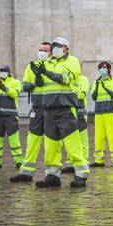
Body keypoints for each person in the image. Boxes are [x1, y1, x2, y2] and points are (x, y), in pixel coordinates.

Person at [33, 37, 89, 188]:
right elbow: (39, 84)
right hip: (49, 108)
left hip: (66, 107)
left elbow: (65, 79)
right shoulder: (48, 63)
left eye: (59, 46)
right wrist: (38, 74)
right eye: (54, 46)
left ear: (67, 48)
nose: (56, 48)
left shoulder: (73, 61)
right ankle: (52, 175)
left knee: (73, 143)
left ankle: (81, 174)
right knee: (51, 144)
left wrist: (45, 71)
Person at [10, 43, 51, 183]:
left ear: (51, 53)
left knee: (52, 142)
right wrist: (34, 84)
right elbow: (24, 85)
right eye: (40, 50)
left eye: (45, 50)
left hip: (52, 108)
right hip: (37, 107)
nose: (42, 53)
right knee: (32, 139)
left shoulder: (53, 66)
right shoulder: (31, 66)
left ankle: (52, 174)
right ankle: (26, 172)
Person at [0, 65, 22, 169]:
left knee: (14, 140)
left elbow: (15, 94)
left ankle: (19, 161)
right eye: (1, 71)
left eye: (4, 71)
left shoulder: (15, 82)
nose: (2, 72)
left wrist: (4, 88)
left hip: (10, 116)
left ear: (9, 72)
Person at [90, 62, 113, 167]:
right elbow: (93, 97)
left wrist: (105, 87)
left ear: (109, 69)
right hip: (98, 113)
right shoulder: (96, 82)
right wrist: (98, 86)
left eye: (104, 68)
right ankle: (99, 160)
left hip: (110, 112)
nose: (102, 70)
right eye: (100, 68)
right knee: (99, 137)